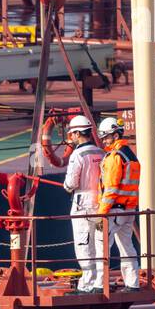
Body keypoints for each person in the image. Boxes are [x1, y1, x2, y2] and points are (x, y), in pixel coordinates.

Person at [96, 116, 142, 291]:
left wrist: (101, 213)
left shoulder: (115, 157)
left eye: (106, 137)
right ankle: (132, 283)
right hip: (129, 209)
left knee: (102, 245)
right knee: (127, 246)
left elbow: (111, 188)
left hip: (114, 210)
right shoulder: (131, 156)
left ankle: (100, 284)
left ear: (115, 135)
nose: (104, 141)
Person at [60, 115, 104, 293]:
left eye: (72, 134)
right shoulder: (101, 153)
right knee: (100, 245)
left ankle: (86, 284)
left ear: (78, 133)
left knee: (83, 245)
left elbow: (71, 183)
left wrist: (66, 186)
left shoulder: (77, 155)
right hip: (101, 203)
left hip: (82, 204)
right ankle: (99, 282)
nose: (71, 137)